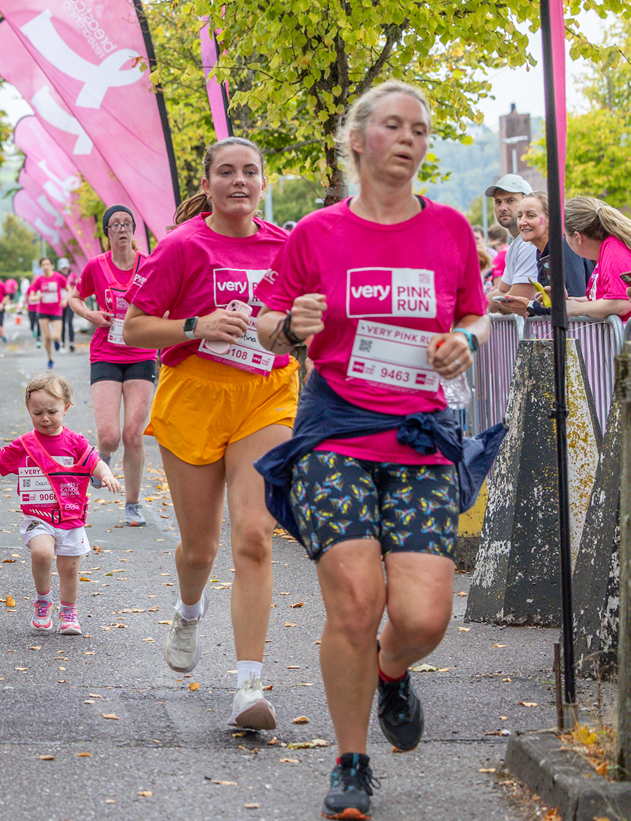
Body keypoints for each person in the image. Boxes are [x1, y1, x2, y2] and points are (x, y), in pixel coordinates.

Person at [251, 81, 491, 820]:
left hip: (419, 431)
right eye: (393, 125)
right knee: (356, 602)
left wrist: (465, 341)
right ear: (358, 141)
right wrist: (291, 325)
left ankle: (391, 669)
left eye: (419, 128)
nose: (409, 138)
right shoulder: (316, 233)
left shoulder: (449, 229)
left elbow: (476, 313)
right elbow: (266, 325)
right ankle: (351, 761)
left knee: (422, 618)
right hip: (336, 430)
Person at [121, 136, 295, 733]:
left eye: (249, 171)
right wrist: (197, 325)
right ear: (208, 183)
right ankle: (188, 610)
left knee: (255, 536)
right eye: (226, 172)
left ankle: (248, 686)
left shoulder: (286, 247)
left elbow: (304, 322)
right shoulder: (182, 246)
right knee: (201, 549)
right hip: (194, 396)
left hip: (265, 396)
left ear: (264, 182)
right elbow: (133, 328)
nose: (239, 181)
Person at [0, 373, 121, 635]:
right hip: (39, 517)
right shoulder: (25, 444)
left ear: (66, 408)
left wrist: (106, 475)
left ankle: (69, 612)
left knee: (69, 568)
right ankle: (43, 601)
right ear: (28, 409)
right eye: (37, 413)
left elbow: (95, 462)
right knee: (42, 554)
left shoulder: (75, 442)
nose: (45, 418)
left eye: (52, 412)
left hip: (70, 518)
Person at [68, 205, 158, 528]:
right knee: (109, 436)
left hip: (142, 353)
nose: (122, 229)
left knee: (133, 433)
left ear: (133, 230)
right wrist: (89, 314)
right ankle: (102, 459)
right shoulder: (97, 266)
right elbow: (74, 298)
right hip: (106, 352)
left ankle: (132, 505)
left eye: (127, 224)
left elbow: (165, 299)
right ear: (107, 232)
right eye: (115, 224)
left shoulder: (149, 265)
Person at [491, 191, 594, 316]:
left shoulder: (563, 246)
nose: (522, 222)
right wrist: (533, 306)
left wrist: (530, 306)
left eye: (530, 216)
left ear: (550, 219)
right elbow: (553, 304)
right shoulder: (541, 251)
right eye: (519, 216)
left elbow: (573, 304)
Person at [564, 195, 631, 322]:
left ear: (578, 238)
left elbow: (621, 303)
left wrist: (576, 308)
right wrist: (571, 302)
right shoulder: (607, 250)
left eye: (565, 235)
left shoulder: (614, 251)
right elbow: (605, 298)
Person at [485, 174, 538, 312]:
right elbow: (501, 291)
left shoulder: (530, 243)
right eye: (498, 202)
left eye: (510, 200)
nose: (503, 207)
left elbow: (515, 300)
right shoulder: (516, 244)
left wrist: (476, 309)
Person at [28, 257, 69, 368]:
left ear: (51, 265)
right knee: (46, 337)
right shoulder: (39, 280)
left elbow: (69, 289)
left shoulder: (58, 277)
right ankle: (50, 358)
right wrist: (38, 297)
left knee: (56, 336)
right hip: (43, 311)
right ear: (41, 267)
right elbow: (31, 297)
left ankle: (57, 342)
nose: (46, 267)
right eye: (43, 265)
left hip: (56, 310)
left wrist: (65, 300)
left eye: (47, 264)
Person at [56, 257, 77, 352]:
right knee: (62, 323)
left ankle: (71, 343)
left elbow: (77, 285)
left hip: (70, 302)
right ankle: (63, 342)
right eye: (63, 268)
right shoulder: (57, 276)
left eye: (66, 268)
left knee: (70, 322)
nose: (65, 270)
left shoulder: (72, 275)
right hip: (61, 303)